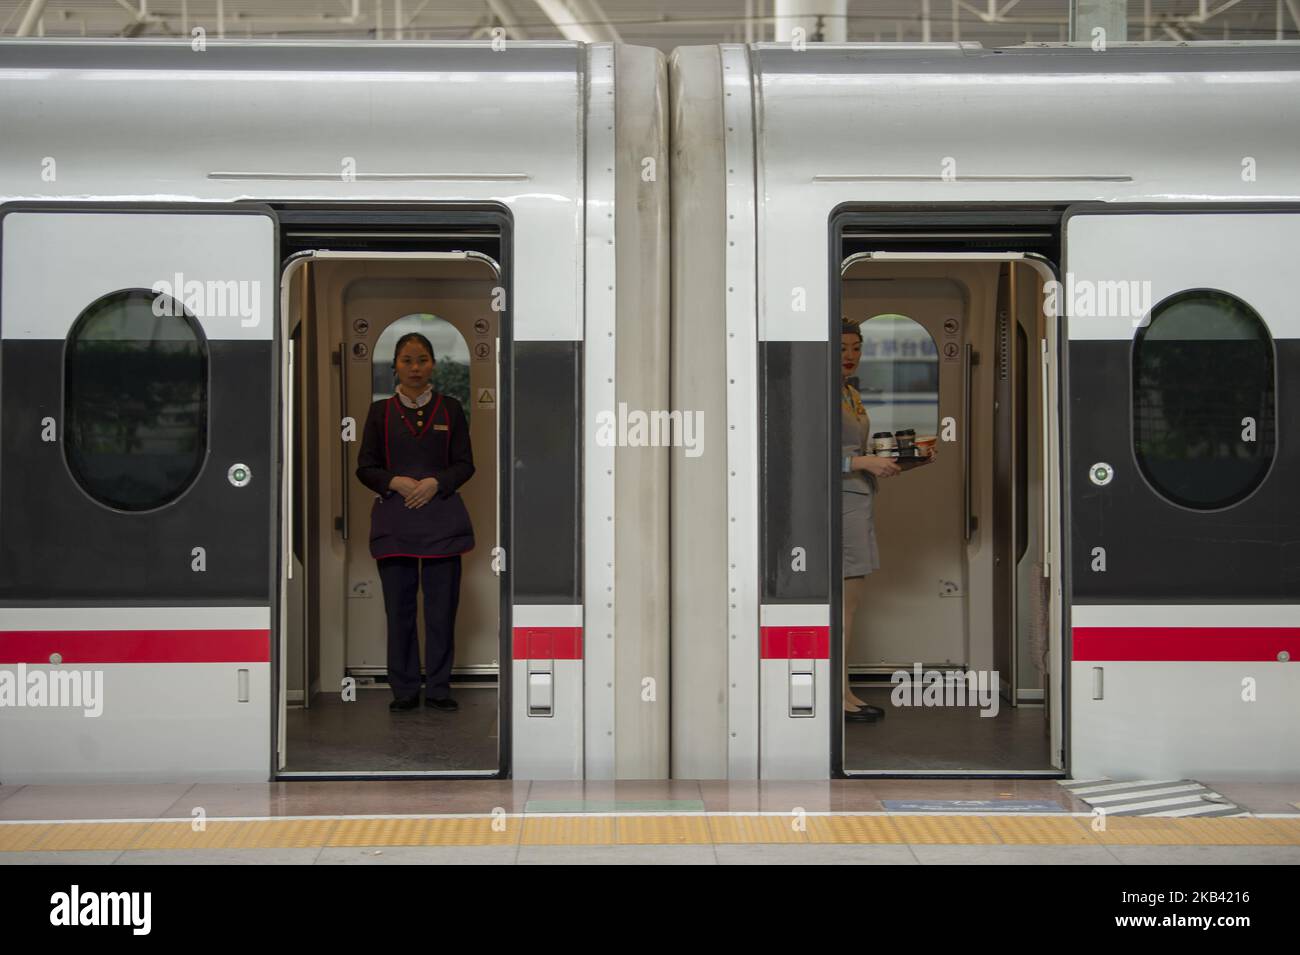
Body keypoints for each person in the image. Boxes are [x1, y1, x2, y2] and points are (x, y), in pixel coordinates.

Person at [356, 332, 475, 712]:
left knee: (441, 611)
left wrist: (436, 483)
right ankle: (405, 689)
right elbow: (365, 468)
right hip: (395, 523)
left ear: (433, 365)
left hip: (442, 523)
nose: (415, 368)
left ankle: (439, 687)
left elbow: (464, 464)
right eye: (407, 360)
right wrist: (395, 481)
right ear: (396, 366)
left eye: (422, 359)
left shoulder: (451, 410)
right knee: (400, 610)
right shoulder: (379, 413)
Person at [841, 321, 899, 723]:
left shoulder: (850, 392)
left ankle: (843, 688)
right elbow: (806, 452)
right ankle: (838, 694)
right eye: (842, 347)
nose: (850, 355)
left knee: (852, 601)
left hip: (857, 498)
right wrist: (863, 462)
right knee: (846, 601)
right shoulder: (818, 389)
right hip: (839, 502)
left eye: (856, 348)